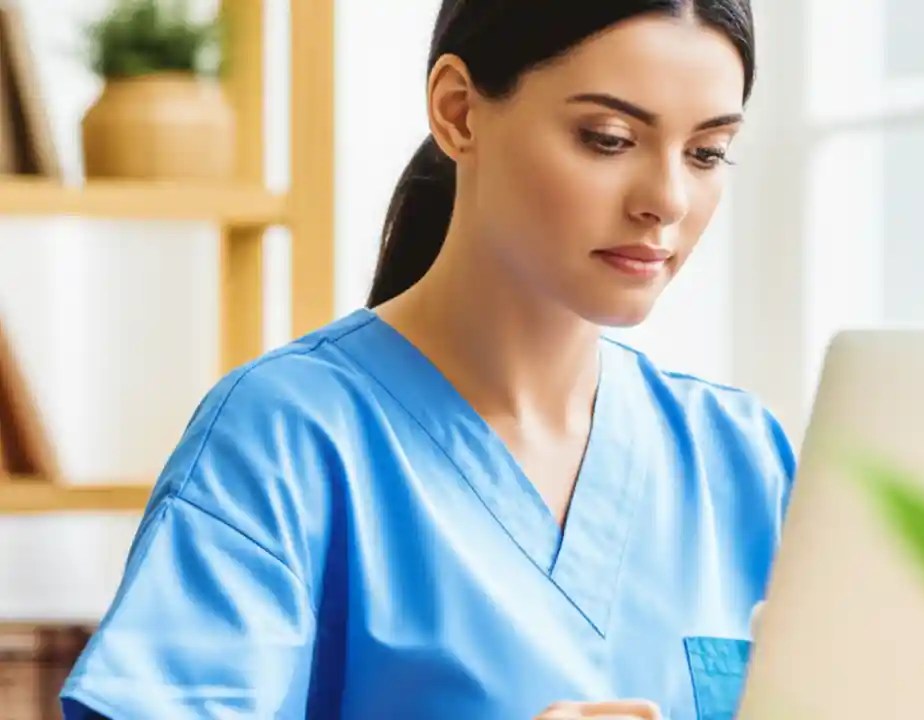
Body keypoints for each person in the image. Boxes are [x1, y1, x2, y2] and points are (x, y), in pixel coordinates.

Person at [59, 1, 793, 717]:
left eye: (707, 153)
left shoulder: (743, 456)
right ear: (458, 111)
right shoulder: (285, 439)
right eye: (607, 137)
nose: (666, 199)